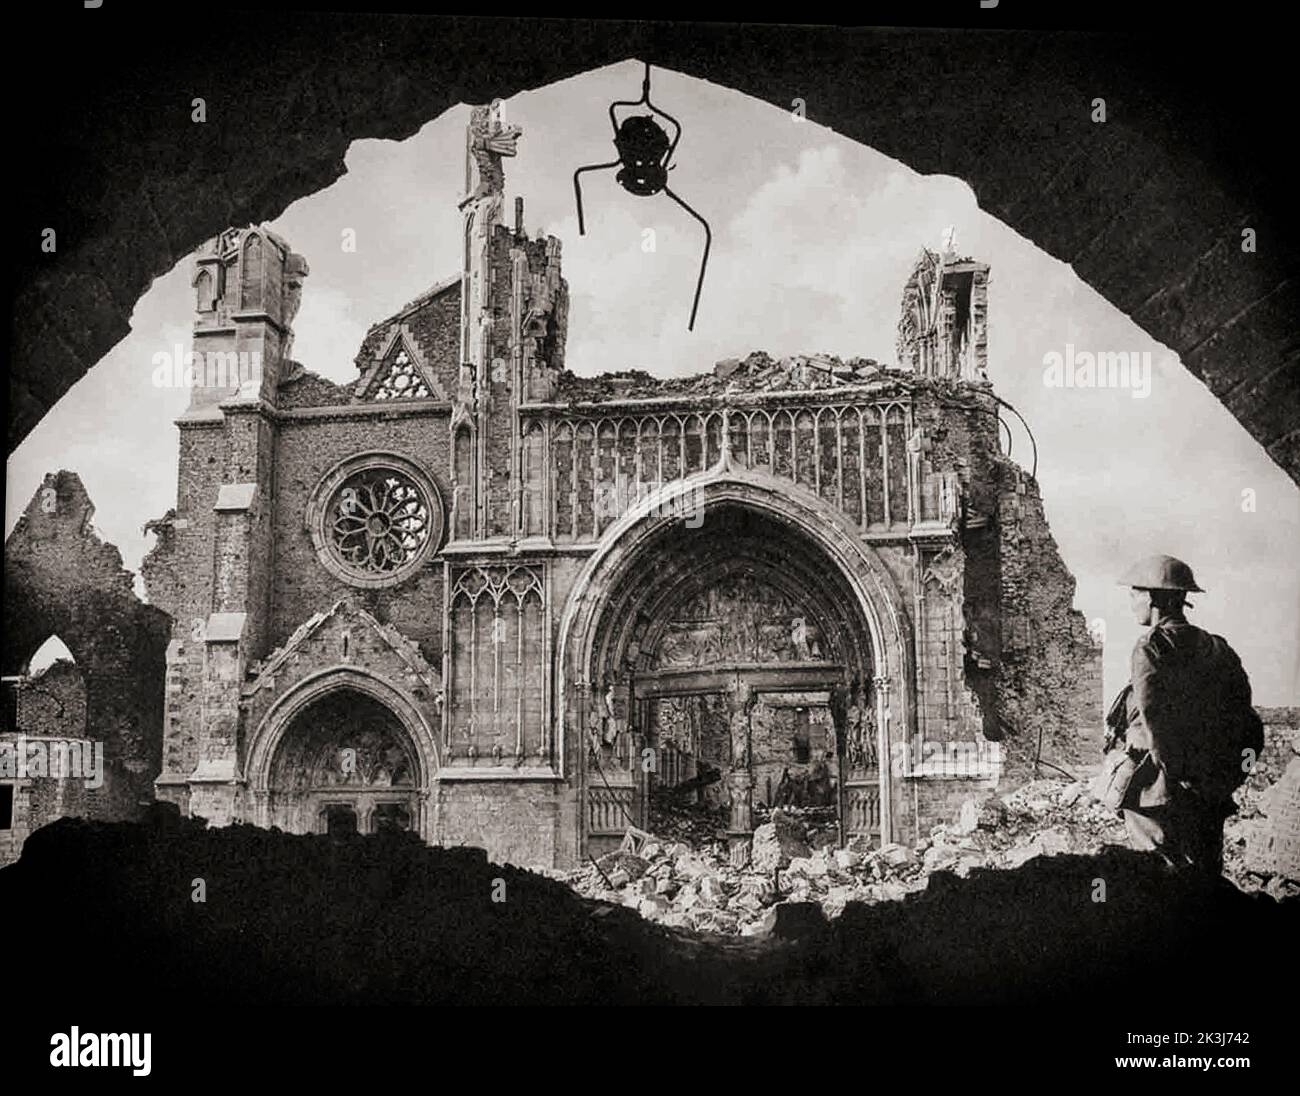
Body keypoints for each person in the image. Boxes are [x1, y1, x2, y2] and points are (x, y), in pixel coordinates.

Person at [1110, 554, 1262, 874]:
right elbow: (1247, 722)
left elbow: (1155, 720)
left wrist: (1175, 775)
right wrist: (1223, 778)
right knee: (1206, 880)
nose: (1131, 602)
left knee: (1162, 879)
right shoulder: (1217, 647)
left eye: (1135, 594)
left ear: (1152, 597)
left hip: (1158, 789)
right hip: (1208, 788)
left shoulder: (1151, 646)